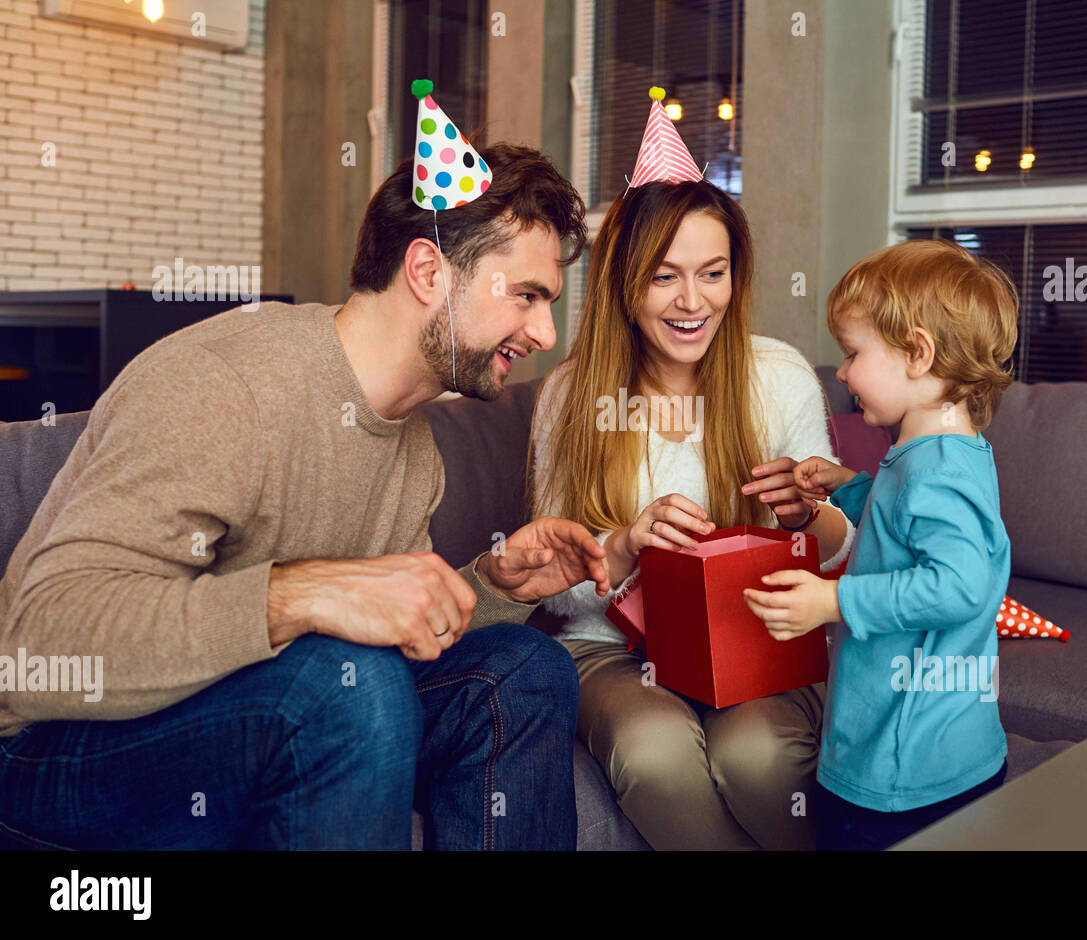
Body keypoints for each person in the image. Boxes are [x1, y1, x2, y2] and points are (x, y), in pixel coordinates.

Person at [0, 102, 610, 849]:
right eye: (525, 296)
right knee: (341, 687)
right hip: (53, 745)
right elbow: (38, 645)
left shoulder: (413, 444)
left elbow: (381, 636)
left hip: (260, 713)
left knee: (525, 668)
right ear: (427, 270)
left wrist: (491, 587)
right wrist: (305, 592)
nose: (546, 335)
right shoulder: (227, 387)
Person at [528, 92, 856, 849]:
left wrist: (810, 517)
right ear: (623, 282)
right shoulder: (570, 397)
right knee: (656, 751)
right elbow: (562, 590)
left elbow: (840, 559)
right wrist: (623, 545)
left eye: (713, 273)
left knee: (757, 754)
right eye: (664, 277)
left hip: (759, 636)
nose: (691, 302)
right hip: (610, 649)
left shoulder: (777, 376)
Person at [741, 239, 1019, 850]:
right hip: (935, 755)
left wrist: (833, 602)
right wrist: (850, 488)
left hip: (906, 775)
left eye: (852, 354)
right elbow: (908, 528)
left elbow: (961, 585)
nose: (840, 374)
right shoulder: (937, 455)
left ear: (917, 353)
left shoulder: (935, 470)